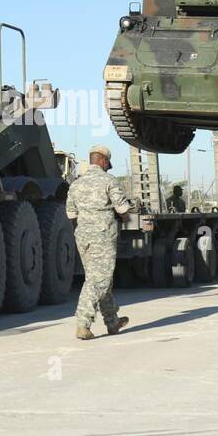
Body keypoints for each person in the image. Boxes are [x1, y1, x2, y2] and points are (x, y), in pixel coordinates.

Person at [65, 144, 133, 340]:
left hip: (83, 237)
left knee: (101, 279)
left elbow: (70, 213)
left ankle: (112, 322)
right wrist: (127, 213)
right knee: (98, 280)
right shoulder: (109, 181)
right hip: (102, 236)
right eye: (107, 163)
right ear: (103, 160)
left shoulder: (76, 184)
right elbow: (122, 209)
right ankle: (83, 323)